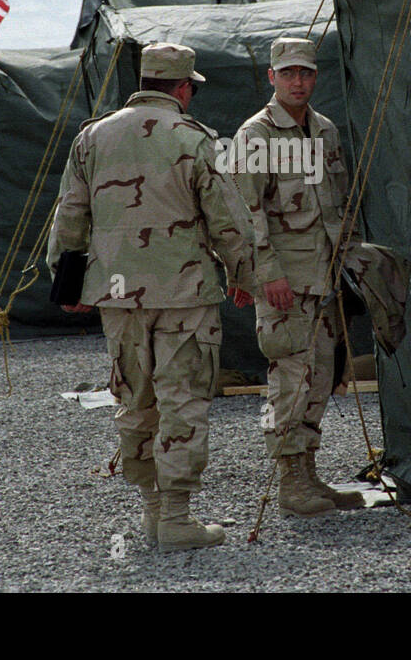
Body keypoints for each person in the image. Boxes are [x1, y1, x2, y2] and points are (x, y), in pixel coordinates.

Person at [49, 42, 259, 551]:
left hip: (118, 296)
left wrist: (67, 283)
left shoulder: (93, 136)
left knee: (135, 398)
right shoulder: (194, 138)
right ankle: (178, 518)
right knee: (181, 399)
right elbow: (228, 219)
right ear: (183, 88)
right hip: (182, 293)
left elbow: (70, 215)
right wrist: (243, 274)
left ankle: (151, 511)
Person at [231, 36, 366, 516]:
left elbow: (341, 202)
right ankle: (290, 483)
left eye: (305, 73)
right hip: (284, 280)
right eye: (287, 73)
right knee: (289, 375)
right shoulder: (257, 135)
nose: (297, 81)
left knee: (320, 377)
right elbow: (246, 213)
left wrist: (349, 263)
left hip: (325, 278)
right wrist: (264, 275)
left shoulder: (324, 131)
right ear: (271, 77)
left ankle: (309, 472)